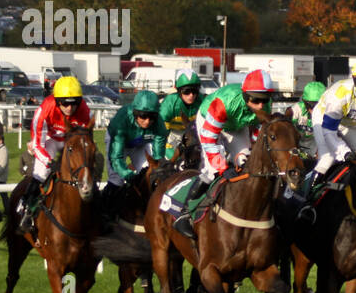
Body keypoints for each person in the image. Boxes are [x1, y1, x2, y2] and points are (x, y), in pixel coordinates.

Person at [173, 70, 274, 238]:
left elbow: (257, 134)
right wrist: (222, 167)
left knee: (245, 163)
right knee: (211, 171)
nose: (261, 106)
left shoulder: (264, 107)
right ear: (245, 95)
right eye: (256, 100)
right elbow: (208, 138)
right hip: (209, 121)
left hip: (235, 125)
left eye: (264, 100)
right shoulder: (224, 102)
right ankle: (183, 213)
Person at [299, 55, 356, 206]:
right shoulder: (340, 94)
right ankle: (306, 200)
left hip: (352, 123)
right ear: (355, 80)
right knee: (328, 159)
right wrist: (344, 152)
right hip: (324, 120)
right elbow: (329, 130)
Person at [18, 76, 93, 236]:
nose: (69, 107)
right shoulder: (46, 109)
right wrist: (50, 162)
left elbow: (86, 140)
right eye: (65, 103)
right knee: (41, 170)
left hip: (71, 142)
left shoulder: (85, 111)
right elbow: (37, 144)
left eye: (74, 103)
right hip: (50, 140)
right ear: (57, 101)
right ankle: (27, 208)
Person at [103, 90, 166, 221]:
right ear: (135, 113)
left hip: (139, 144)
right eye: (143, 116)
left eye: (151, 117)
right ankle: (105, 213)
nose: (147, 121)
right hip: (118, 141)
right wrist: (127, 174)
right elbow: (116, 158)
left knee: (148, 173)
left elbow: (158, 156)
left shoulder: (159, 123)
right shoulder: (122, 121)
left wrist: (158, 168)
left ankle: (146, 206)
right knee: (117, 178)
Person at [158, 69, 203, 160]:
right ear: (179, 91)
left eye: (195, 91)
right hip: (171, 135)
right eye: (187, 91)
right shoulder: (169, 104)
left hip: (193, 135)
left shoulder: (202, 101)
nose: (191, 95)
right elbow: (161, 134)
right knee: (175, 160)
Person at [291, 80, 327, 159]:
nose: (313, 109)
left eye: (317, 105)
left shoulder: (329, 113)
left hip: (317, 151)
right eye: (310, 105)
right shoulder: (296, 110)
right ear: (304, 101)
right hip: (296, 148)